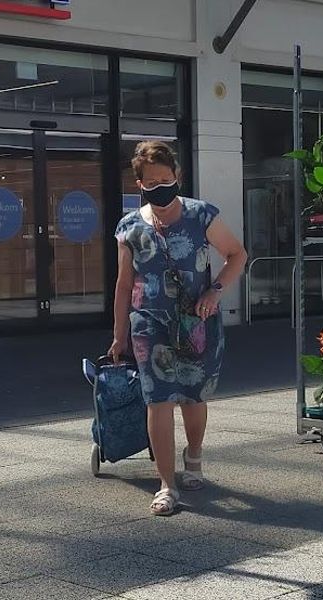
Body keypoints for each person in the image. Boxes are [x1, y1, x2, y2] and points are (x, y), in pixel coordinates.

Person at [110, 141, 247, 516]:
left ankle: (195, 454)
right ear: (139, 184)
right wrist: (119, 333)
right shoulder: (130, 226)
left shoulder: (201, 215)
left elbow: (237, 255)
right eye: (151, 182)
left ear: (178, 177)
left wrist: (215, 291)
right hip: (149, 322)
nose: (160, 188)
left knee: (193, 395)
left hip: (196, 322)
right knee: (158, 401)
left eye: (165, 179)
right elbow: (124, 285)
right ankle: (167, 484)